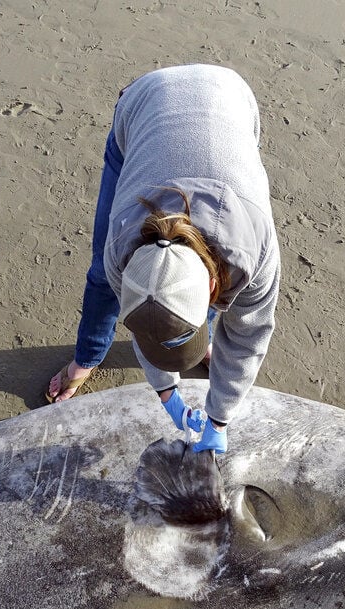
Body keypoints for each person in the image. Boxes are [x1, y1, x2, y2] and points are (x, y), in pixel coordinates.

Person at [45, 64, 281, 455]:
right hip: (144, 106)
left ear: (212, 285)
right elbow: (146, 321)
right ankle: (86, 359)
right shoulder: (121, 244)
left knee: (187, 304)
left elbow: (248, 338)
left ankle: (191, 334)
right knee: (101, 281)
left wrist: (220, 418)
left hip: (230, 99)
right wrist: (167, 393)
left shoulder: (253, 255)